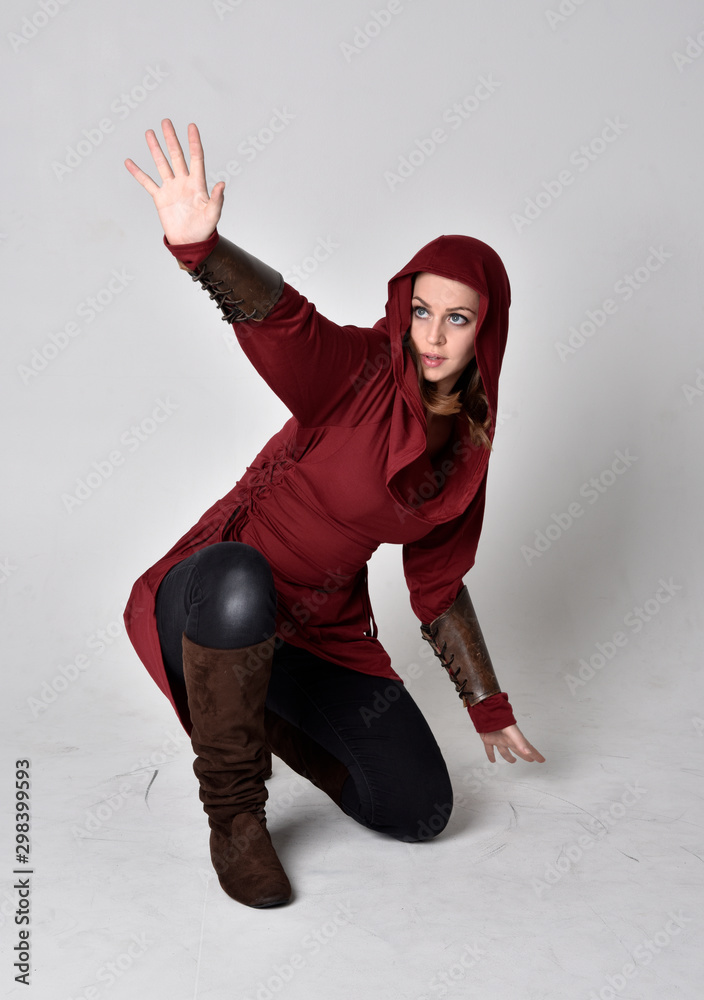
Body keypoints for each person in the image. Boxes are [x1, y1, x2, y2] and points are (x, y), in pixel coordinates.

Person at [123, 119, 546, 910]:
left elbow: (439, 582)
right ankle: (235, 815)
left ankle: (254, 710)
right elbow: (287, 325)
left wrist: (489, 708)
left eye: (458, 318)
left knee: (421, 809)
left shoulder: (465, 451)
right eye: (422, 311)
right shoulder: (355, 372)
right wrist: (202, 249)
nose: (433, 334)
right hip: (209, 597)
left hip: (317, 633)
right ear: (402, 307)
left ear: (486, 331)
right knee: (243, 578)